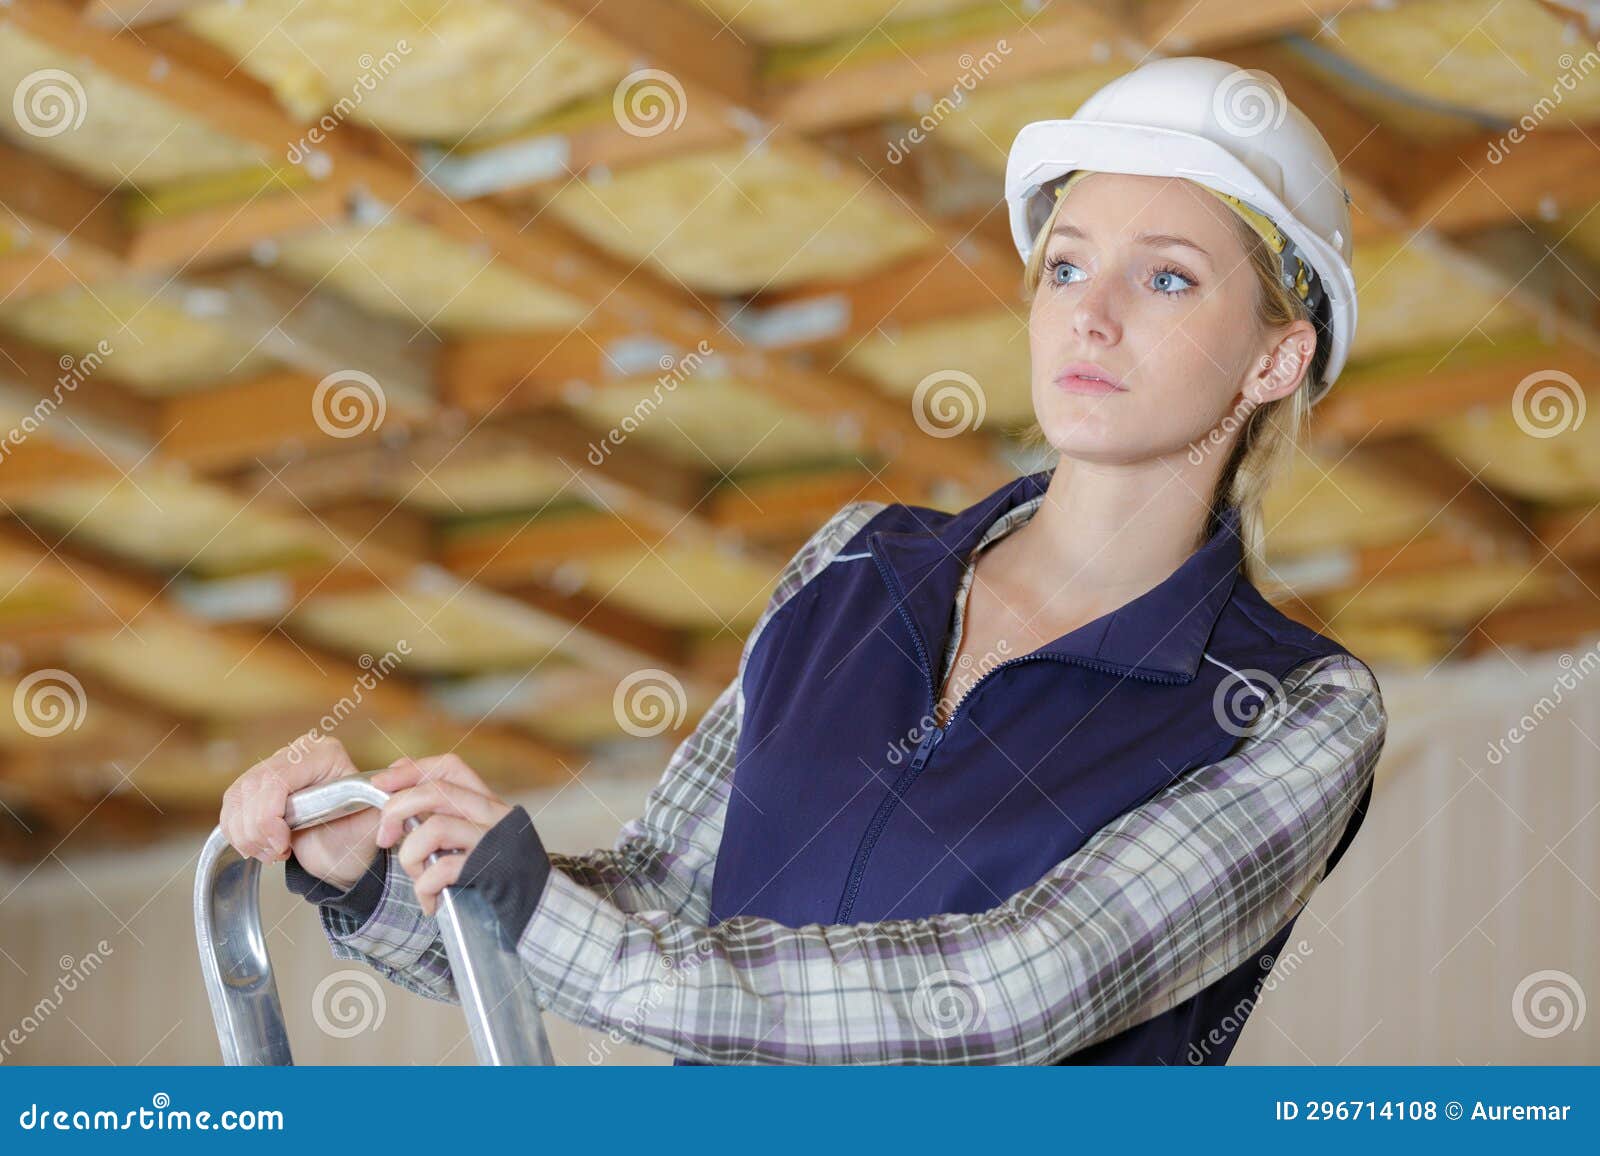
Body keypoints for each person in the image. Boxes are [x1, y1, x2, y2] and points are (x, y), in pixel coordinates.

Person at [219, 56, 1386, 1065]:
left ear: (1273, 361)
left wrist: (538, 908)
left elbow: (1002, 998)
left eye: (1168, 277)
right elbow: (667, 903)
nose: (1090, 315)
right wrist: (380, 865)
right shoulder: (856, 566)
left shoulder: (1292, 708)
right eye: (1068, 266)